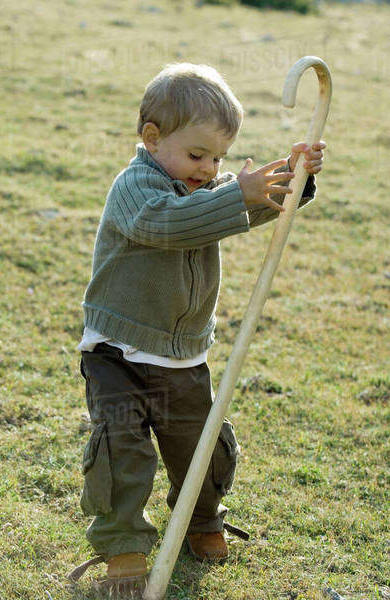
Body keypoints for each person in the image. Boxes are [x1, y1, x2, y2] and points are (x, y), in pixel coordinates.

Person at [74, 63, 326, 593]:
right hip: (118, 354)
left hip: (183, 356)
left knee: (203, 448)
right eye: (197, 155)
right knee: (122, 450)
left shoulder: (203, 187)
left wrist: (289, 180)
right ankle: (122, 544)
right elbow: (168, 224)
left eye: (219, 158)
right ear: (152, 137)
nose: (210, 168)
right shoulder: (136, 189)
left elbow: (235, 206)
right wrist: (237, 193)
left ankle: (202, 520)